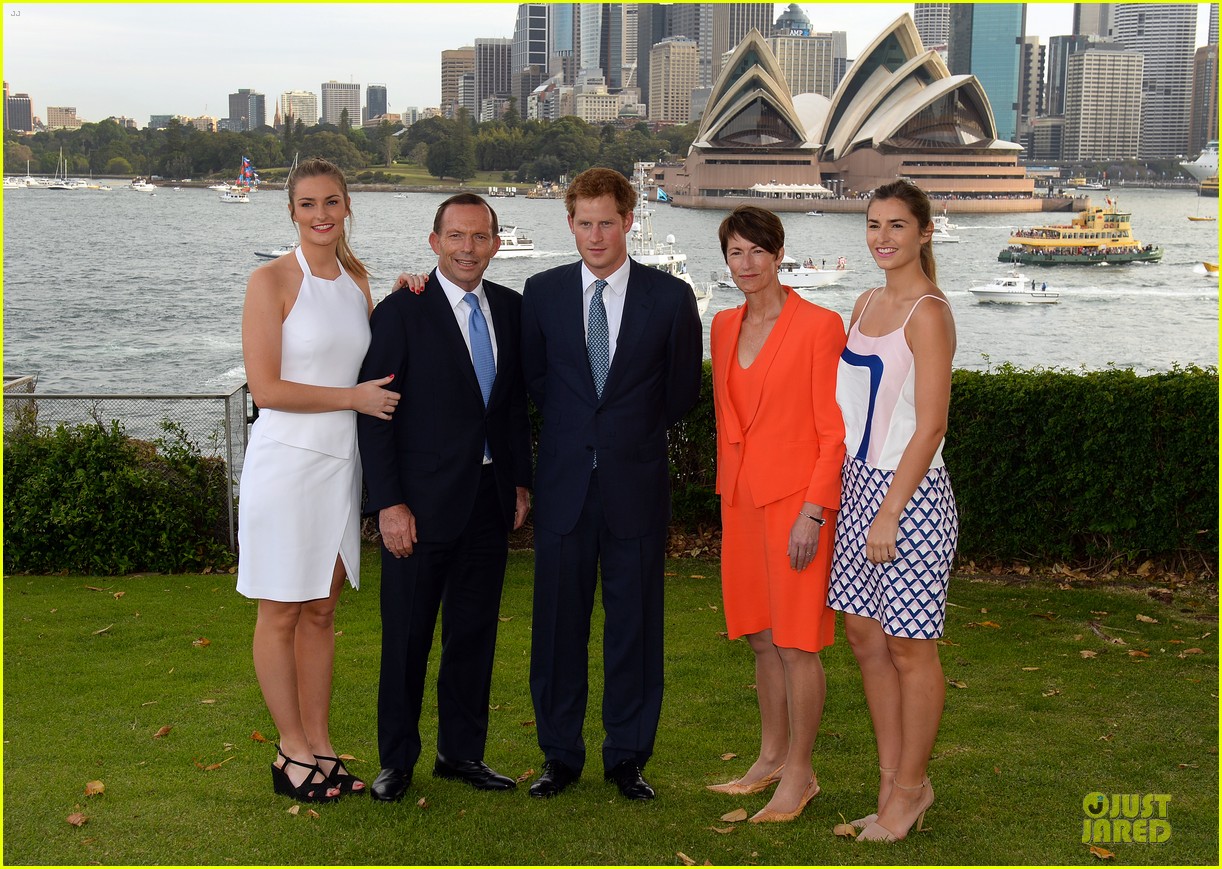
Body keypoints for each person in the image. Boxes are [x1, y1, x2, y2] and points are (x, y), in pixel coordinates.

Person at [521, 167, 703, 800]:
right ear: (569, 223)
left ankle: (627, 756)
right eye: (583, 222)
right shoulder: (540, 293)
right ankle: (560, 755)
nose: (595, 235)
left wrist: (623, 435)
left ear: (630, 222)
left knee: (636, 629)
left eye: (607, 222)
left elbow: (681, 392)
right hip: (566, 489)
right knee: (556, 630)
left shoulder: (672, 297)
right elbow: (537, 384)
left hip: (636, 488)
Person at [356, 193, 532, 803]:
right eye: (455, 236)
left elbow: (509, 407)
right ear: (434, 242)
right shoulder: (403, 310)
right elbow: (376, 415)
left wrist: (520, 480)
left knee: (473, 633)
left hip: (488, 500)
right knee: (406, 634)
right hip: (419, 506)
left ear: (495, 244)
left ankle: (461, 754)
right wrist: (389, 503)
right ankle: (396, 760)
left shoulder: (511, 309)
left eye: (479, 237)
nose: (467, 248)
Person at [237, 157, 400, 802]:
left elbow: (372, 352)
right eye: (308, 204)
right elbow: (266, 387)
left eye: (331, 202)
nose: (322, 215)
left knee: (324, 608)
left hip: (340, 465)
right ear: (292, 212)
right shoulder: (270, 280)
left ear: (347, 206)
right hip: (286, 464)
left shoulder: (358, 280)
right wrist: (351, 400)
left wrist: (412, 289)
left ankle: (322, 743)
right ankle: (290, 751)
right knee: (280, 608)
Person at [827, 179, 959, 842]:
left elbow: (930, 425)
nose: (882, 236)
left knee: (911, 645)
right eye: (874, 224)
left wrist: (889, 511)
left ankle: (910, 792)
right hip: (857, 489)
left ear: (924, 232)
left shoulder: (928, 313)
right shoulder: (865, 301)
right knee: (863, 637)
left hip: (908, 497)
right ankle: (891, 782)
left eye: (897, 226)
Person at [706, 206, 846, 823]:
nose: (747, 265)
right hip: (740, 502)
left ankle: (801, 774)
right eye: (736, 253)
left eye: (758, 251)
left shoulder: (819, 325)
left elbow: (831, 431)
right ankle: (769, 758)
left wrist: (814, 513)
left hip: (797, 506)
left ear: (778, 253)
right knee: (762, 639)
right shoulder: (722, 325)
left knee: (797, 644)